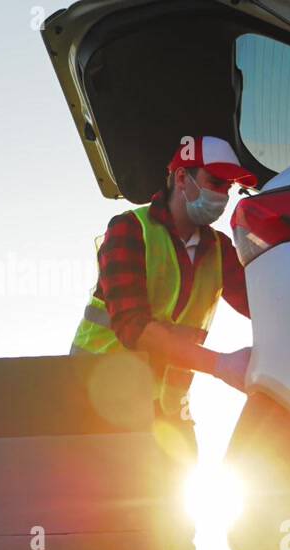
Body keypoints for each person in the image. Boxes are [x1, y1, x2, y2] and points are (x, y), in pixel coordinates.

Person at [70, 136, 255, 464]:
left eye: (227, 188)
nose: (221, 196)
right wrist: (221, 364)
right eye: (214, 183)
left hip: (168, 418)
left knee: (172, 515)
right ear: (182, 177)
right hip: (98, 405)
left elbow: (260, 305)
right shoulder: (130, 230)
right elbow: (133, 327)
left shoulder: (220, 249)